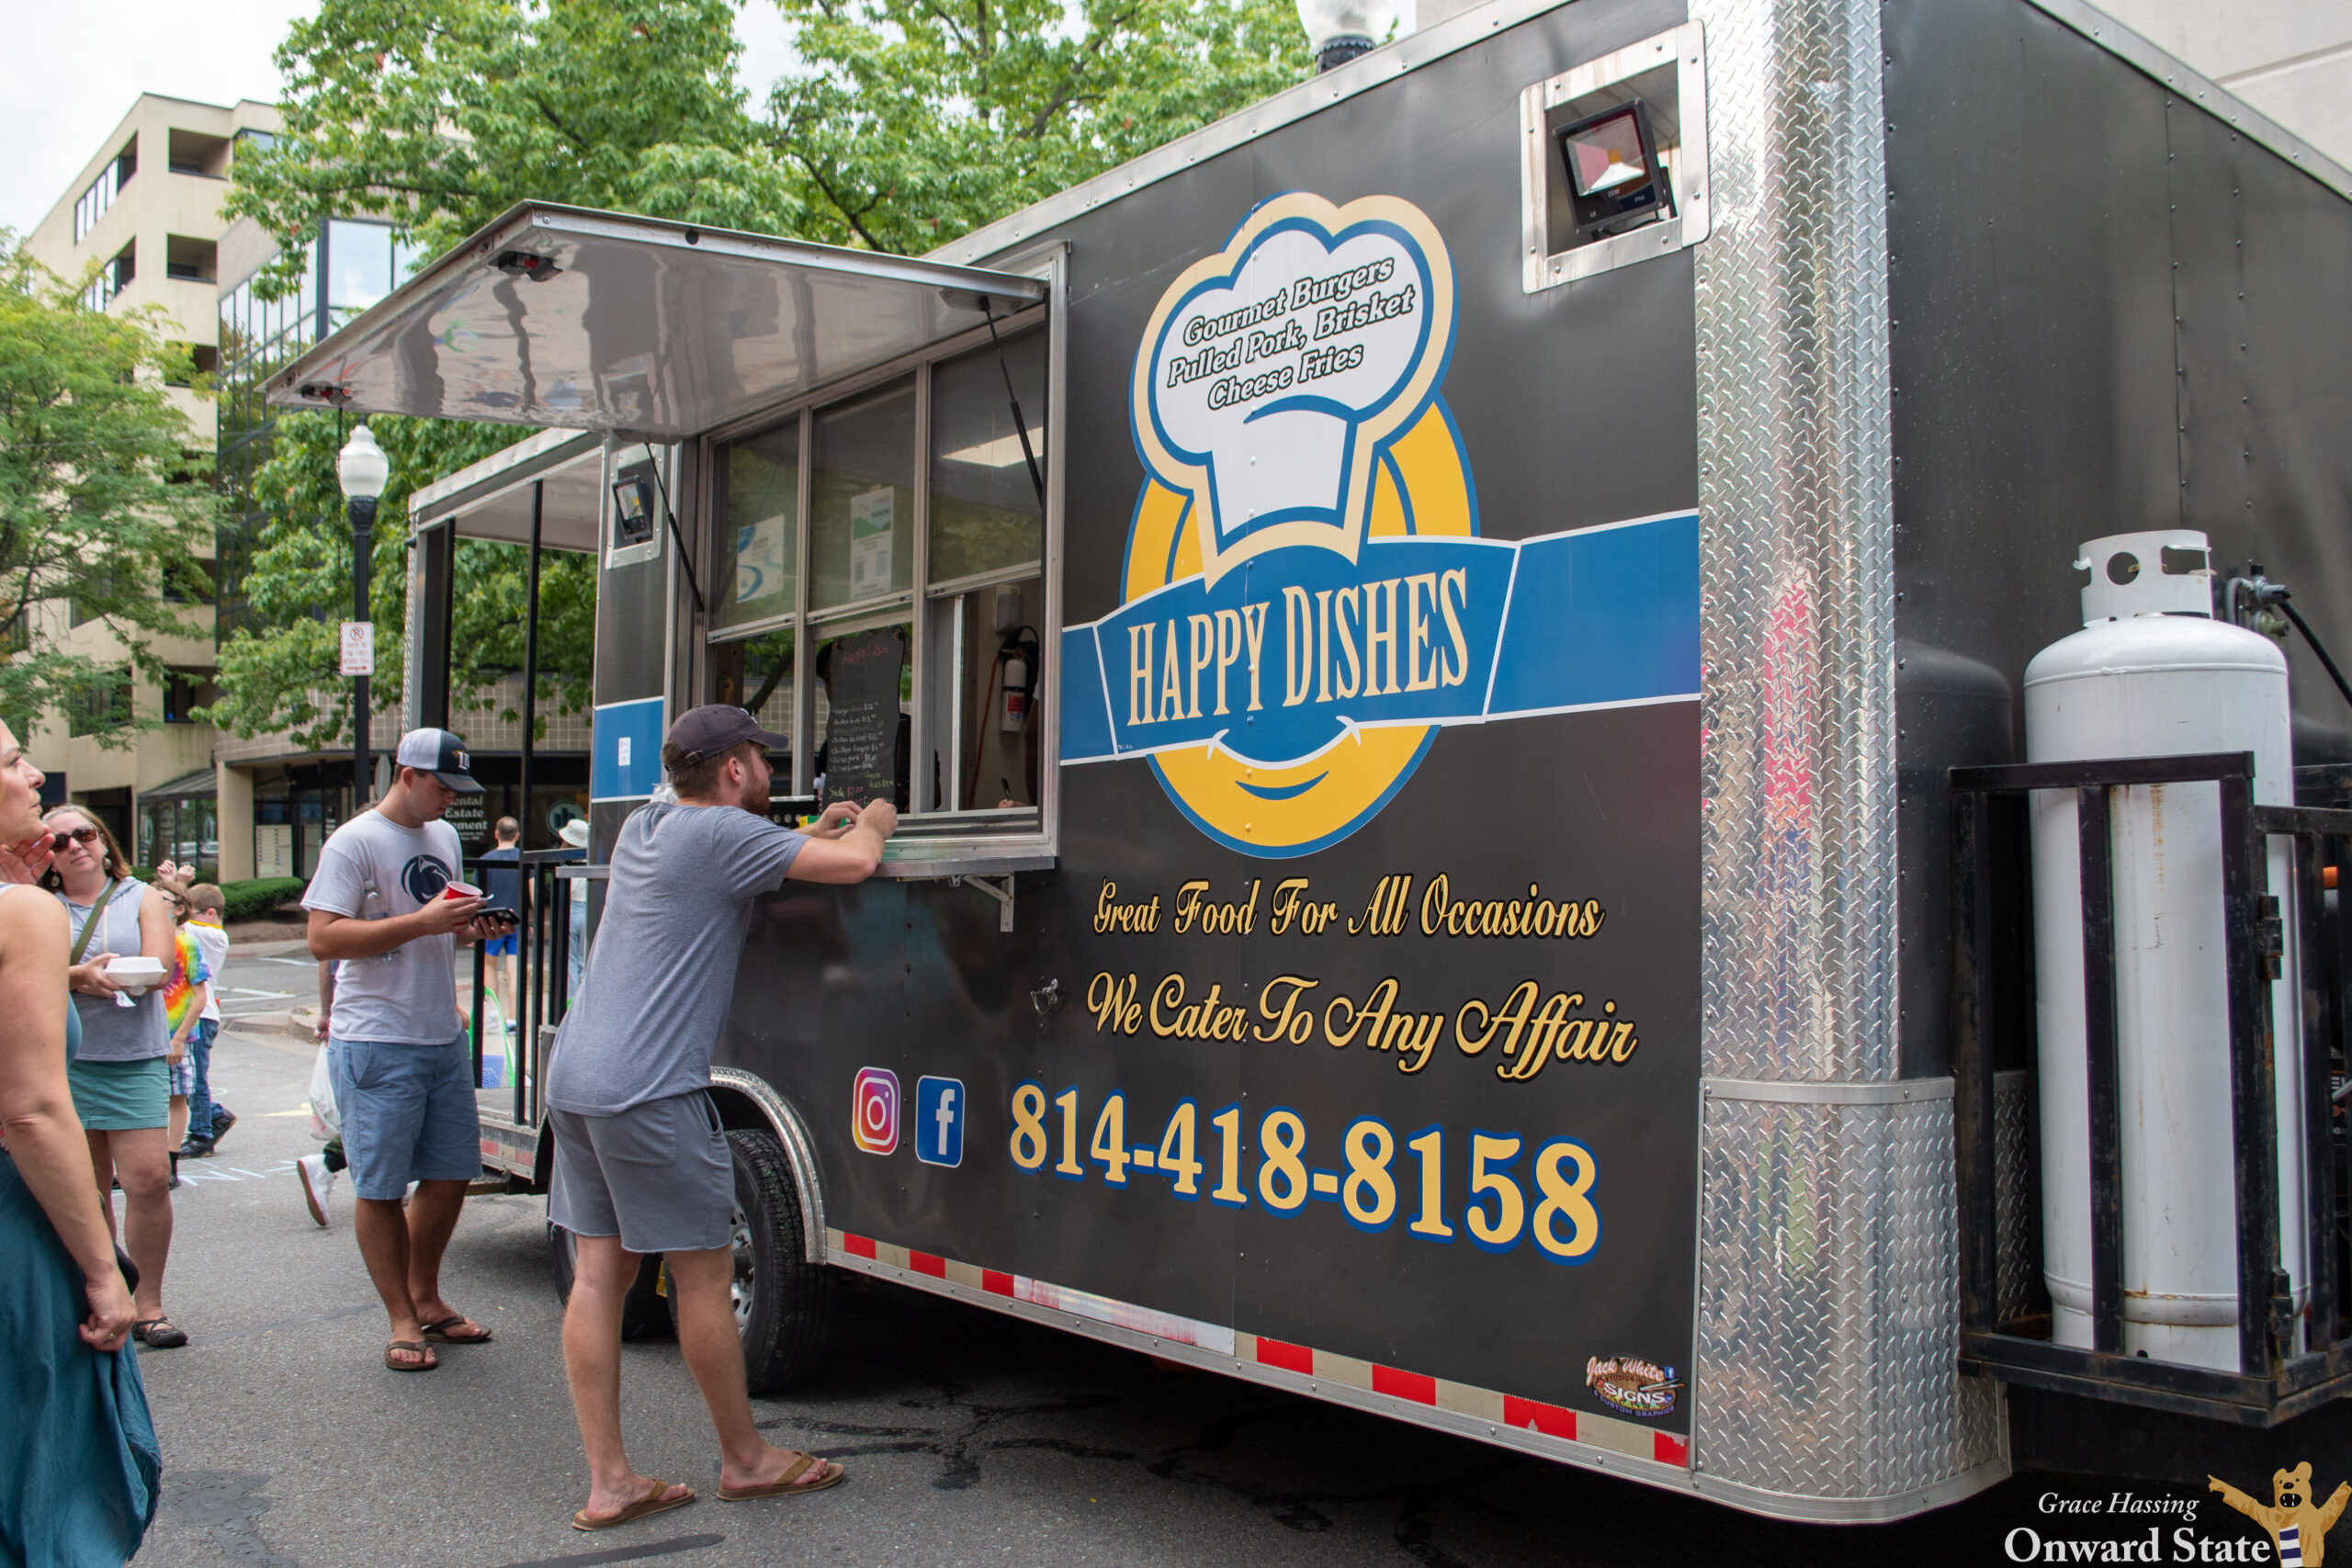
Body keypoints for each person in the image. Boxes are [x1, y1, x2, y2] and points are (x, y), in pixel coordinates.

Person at [546, 705, 895, 1530]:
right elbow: (853, 866)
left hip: (578, 1076)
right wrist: (871, 819)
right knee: (702, 1275)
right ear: (733, 769)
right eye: (759, 759)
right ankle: (747, 1460)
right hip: (650, 1091)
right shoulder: (723, 839)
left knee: (599, 1276)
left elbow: (759, 847)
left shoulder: (647, 825)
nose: (767, 771)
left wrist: (813, 825)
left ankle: (610, 1481)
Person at [0, 722, 160, 1563]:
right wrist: (105, 1269)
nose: (33, 774)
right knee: (43, 1473)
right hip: (13, 1228)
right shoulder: (23, 911)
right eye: (11, 760)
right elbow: (28, 1110)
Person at [302, 730, 510, 1371]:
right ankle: (399, 1315)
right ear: (406, 773)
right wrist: (422, 922)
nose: (451, 799)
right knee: (382, 1183)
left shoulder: (443, 838)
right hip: (376, 1035)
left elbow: (435, 925)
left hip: (439, 1031)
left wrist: (469, 929)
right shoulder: (354, 841)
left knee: (450, 1172)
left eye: (458, 788)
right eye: (442, 786)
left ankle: (426, 1296)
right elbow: (322, 938)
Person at [45, 806, 187, 1348]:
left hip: (135, 1057)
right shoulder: (38, 906)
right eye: (60, 841)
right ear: (50, 858)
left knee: (148, 1179)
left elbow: (160, 966)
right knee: (86, 1189)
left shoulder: (142, 898)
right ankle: (105, 1293)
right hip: (66, 1060)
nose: (75, 845)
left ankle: (149, 1302)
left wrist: (87, 978)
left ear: (104, 843)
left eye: (85, 834)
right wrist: (79, 978)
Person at [158, 890, 210, 1188]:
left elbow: (199, 997)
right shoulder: (145, 942)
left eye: (161, 899)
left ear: (179, 909)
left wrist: (179, 1038)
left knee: (176, 1098)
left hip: (176, 1036)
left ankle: (170, 1164)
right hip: (145, 1037)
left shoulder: (186, 942)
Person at [177, 884, 232, 1158]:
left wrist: (176, 882)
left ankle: (201, 1135)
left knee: (195, 1079)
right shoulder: (201, 931)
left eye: (189, 913)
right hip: (196, 1015)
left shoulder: (212, 935)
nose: (184, 918)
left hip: (202, 1015)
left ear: (209, 913)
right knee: (188, 1077)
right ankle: (215, 1116)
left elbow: (170, 920)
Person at [477, 816, 522, 1032]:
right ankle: (514, 1019)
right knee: (513, 970)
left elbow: (478, 897)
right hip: (516, 920)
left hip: (491, 921)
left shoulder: (485, 859)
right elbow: (532, 892)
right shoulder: (524, 859)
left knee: (489, 966)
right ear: (517, 835)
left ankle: (493, 1012)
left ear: (496, 834)